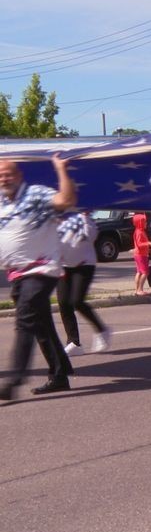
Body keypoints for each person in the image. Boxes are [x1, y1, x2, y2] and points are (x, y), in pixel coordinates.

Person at [0, 156, 77, 400]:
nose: (4, 179)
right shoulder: (2, 201)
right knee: (41, 323)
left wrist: (61, 169)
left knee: (25, 320)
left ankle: (13, 381)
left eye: (8, 174)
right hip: (17, 273)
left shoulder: (36, 194)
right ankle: (59, 375)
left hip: (41, 270)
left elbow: (66, 200)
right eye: (0, 176)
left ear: (19, 175)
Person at [57, 211, 112, 356]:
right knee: (63, 303)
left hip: (84, 264)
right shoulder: (55, 218)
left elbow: (91, 236)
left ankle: (102, 330)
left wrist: (85, 217)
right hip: (63, 266)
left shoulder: (84, 218)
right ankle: (74, 343)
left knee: (77, 301)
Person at [131, 213, 151, 296]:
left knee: (139, 272)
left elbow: (139, 244)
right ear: (139, 223)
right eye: (144, 222)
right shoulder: (139, 232)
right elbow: (139, 244)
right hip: (141, 255)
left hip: (140, 254)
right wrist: (149, 243)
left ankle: (137, 290)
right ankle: (140, 290)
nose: (146, 223)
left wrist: (148, 249)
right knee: (145, 272)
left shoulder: (139, 231)